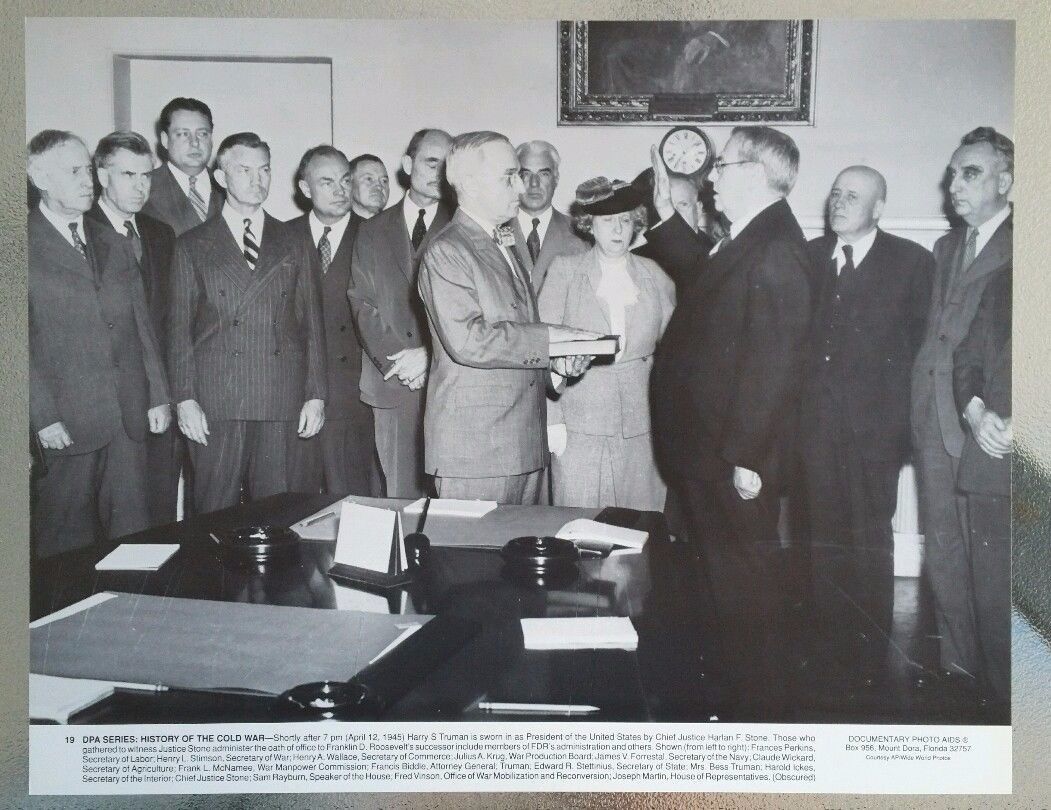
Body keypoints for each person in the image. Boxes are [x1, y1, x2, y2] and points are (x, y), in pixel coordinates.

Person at [643, 126, 813, 717]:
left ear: (755, 172)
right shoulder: (752, 238)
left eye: (722, 165)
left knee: (744, 589)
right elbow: (703, 274)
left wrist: (747, 458)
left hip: (733, 457)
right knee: (727, 584)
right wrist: (666, 213)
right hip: (712, 451)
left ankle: (756, 715)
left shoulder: (776, 248)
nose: (711, 177)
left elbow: (775, 364)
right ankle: (738, 698)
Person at [798, 165, 933, 690]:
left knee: (869, 537)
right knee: (820, 536)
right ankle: (824, 643)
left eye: (853, 196)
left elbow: (920, 352)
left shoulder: (911, 262)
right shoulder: (809, 257)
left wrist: (906, 429)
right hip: (814, 429)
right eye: (836, 193)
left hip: (876, 434)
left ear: (879, 208)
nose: (839, 202)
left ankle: (869, 652)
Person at [418, 131, 598, 504]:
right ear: (470, 184)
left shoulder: (503, 242)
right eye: (509, 176)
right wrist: (554, 339)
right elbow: (470, 341)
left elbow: (519, 333)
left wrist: (558, 365)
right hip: (477, 451)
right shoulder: (447, 250)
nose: (521, 186)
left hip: (523, 444)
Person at [28, 130, 170, 557]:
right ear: (39, 177)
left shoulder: (112, 241)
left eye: (87, 170)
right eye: (73, 171)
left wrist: (157, 396)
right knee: (63, 546)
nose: (87, 180)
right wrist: (43, 417)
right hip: (66, 424)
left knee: (133, 540)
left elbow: (141, 327)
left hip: (127, 418)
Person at [168, 132, 326, 513]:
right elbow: (178, 331)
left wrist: (316, 394)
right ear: (220, 177)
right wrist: (185, 399)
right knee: (214, 511)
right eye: (244, 170)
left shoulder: (294, 240)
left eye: (264, 170)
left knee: (277, 512)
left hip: (280, 394)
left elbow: (312, 324)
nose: (258, 180)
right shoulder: (192, 244)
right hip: (217, 398)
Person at [911, 127, 1013, 697]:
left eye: (970, 173)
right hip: (930, 416)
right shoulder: (946, 247)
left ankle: (1003, 676)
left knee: (990, 556)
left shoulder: (1027, 244)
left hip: (984, 420)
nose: (956, 184)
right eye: (953, 173)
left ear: (1006, 181)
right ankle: (960, 664)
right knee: (944, 544)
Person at [538, 177, 674, 511]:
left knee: (640, 525)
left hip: (643, 429)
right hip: (579, 427)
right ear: (590, 224)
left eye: (625, 220)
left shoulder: (655, 275)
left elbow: (675, 354)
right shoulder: (565, 272)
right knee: (580, 525)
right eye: (608, 221)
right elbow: (542, 349)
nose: (618, 229)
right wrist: (552, 421)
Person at [348, 129, 453, 498]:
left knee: (450, 499)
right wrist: (401, 361)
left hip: (448, 380)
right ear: (408, 165)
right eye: (431, 162)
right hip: (392, 381)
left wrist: (429, 355)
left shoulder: (463, 226)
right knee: (400, 496)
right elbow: (362, 303)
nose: (439, 173)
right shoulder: (372, 230)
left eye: (447, 165)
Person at [86, 131, 181, 525]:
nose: (140, 186)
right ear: (101, 175)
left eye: (146, 176)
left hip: (162, 396)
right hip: (108, 402)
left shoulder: (160, 234)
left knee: (159, 510)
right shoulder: (81, 232)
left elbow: (171, 319)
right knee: (113, 517)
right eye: (128, 175)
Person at [288, 145, 382, 497]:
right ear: (305, 187)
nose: (341, 190)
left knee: (352, 499)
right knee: (294, 502)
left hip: (352, 396)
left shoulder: (376, 236)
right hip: (293, 394)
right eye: (327, 182)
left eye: (345, 180)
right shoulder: (281, 237)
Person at [953, 266, 1011, 716]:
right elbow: (967, 358)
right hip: (993, 464)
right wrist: (975, 412)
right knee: (994, 603)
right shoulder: (1006, 279)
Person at [512, 140, 588, 293]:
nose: (534, 183)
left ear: (556, 178)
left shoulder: (581, 234)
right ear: (515, 179)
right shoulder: (493, 231)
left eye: (543, 174)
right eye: (526, 174)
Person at [142, 97, 224, 236]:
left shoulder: (228, 187)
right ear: (165, 140)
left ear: (211, 139)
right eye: (183, 134)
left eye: (202, 134)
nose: (195, 142)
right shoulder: (144, 187)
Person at [348, 153, 390, 220]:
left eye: (384, 181)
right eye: (369, 179)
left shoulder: (398, 223)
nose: (379, 186)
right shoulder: (338, 224)